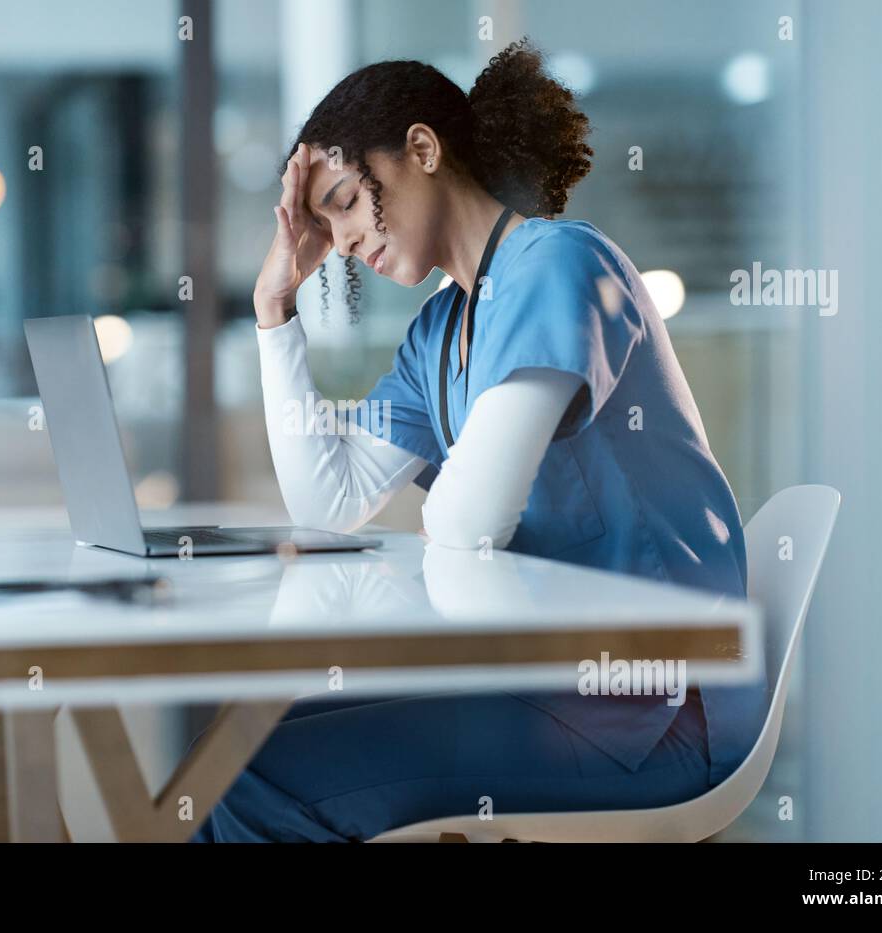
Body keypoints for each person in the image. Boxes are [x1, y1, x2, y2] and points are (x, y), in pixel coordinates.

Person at [191, 38, 765, 843]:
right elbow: (330, 500)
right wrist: (273, 306)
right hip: (548, 685)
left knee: (264, 778)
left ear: (422, 149)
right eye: (325, 222)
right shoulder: (441, 329)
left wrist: (453, 519)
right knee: (257, 736)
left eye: (349, 198)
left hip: (654, 709)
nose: (344, 240)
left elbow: (468, 520)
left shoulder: (561, 264)